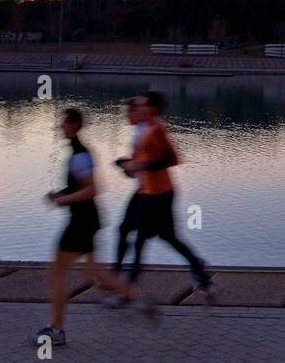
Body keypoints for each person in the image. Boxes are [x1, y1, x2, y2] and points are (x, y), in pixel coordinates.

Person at [31, 108, 142, 345]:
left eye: (63, 123)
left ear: (73, 125)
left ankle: (57, 330)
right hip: (90, 220)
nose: (60, 127)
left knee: (57, 272)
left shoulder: (79, 155)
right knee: (95, 273)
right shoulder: (81, 151)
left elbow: (92, 189)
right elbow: (81, 187)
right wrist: (61, 194)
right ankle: (139, 300)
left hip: (81, 222)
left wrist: (63, 200)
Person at [122, 90, 220, 304]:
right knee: (168, 238)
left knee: (140, 241)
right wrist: (128, 165)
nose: (138, 108)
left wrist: (142, 165)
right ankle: (202, 276)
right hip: (151, 192)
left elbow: (173, 159)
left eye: (142, 105)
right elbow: (141, 161)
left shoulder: (157, 130)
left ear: (153, 109)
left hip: (159, 194)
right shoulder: (146, 130)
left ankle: (128, 291)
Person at [102, 96, 148, 308]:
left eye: (129, 112)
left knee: (133, 236)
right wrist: (127, 166)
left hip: (149, 193)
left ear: (138, 112)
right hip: (145, 191)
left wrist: (128, 165)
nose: (126, 116)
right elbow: (139, 167)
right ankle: (120, 280)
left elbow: (147, 164)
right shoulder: (139, 132)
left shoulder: (144, 132)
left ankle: (124, 288)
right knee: (129, 233)